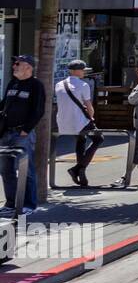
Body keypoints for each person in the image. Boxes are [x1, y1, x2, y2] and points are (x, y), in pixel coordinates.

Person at [0, 55, 45, 215]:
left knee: (26, 169)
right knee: (6, 169)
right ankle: (11, 203)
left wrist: (26, 130)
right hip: (6, 133)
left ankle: (29, 205)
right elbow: (4, 104)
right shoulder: (13, 83)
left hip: (22, 134)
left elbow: (38, 110)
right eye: (14, 63)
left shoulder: (36, 85)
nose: (14, 66)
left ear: (28, 67)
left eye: (18, 63)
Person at [55, 59, 102, 188]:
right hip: (80, 121)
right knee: (99, 138)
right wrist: (91, 118)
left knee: (81, 141)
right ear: (76, 71)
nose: (83, 72)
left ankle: (81, 172)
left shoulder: (59, 84)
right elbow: (89, 107)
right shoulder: (83, 85)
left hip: (63, 121)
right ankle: (78, 168)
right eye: (82, 70)